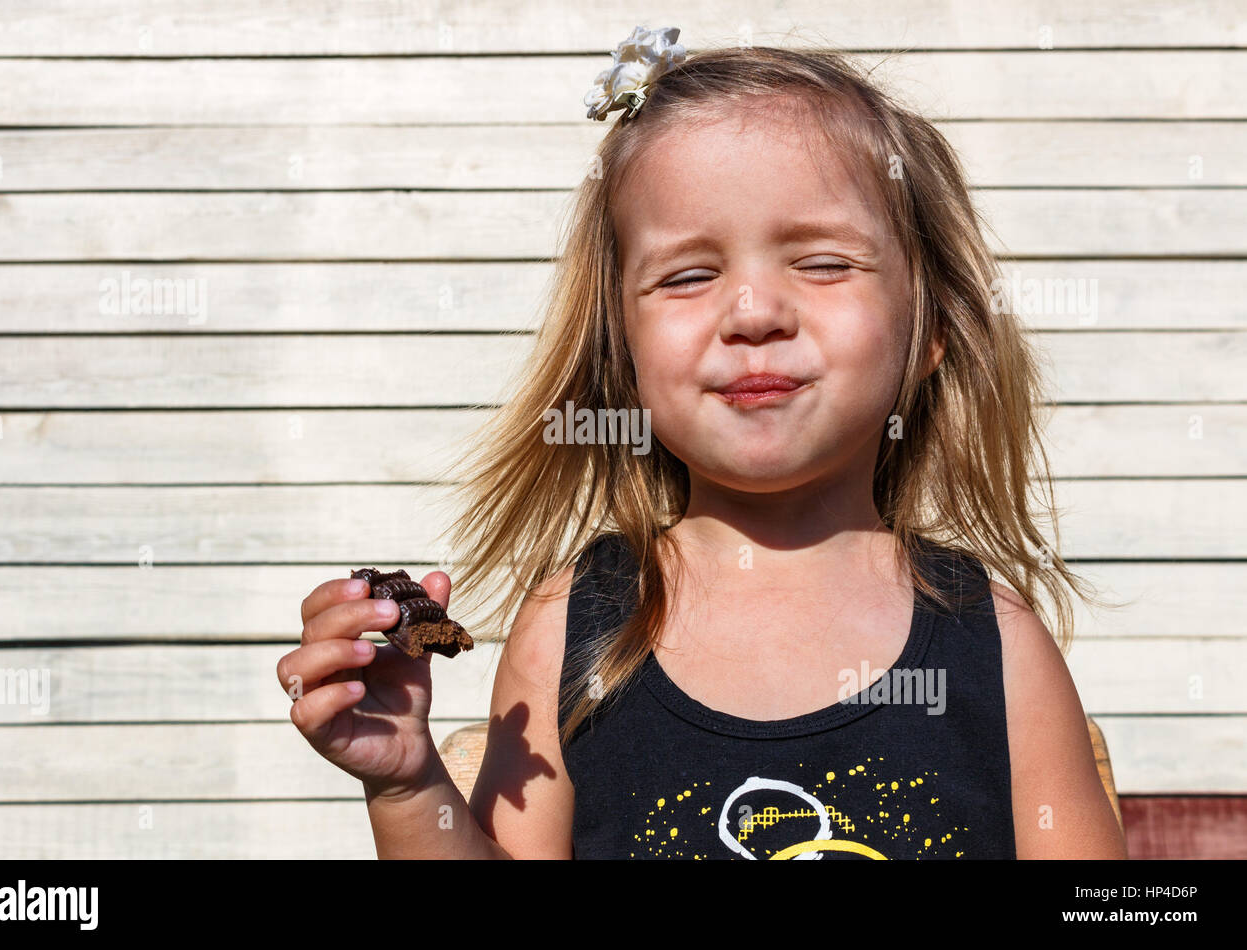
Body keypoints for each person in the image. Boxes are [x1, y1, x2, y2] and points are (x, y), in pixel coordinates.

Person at [277, 26, 1128, 859]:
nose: (754, 314)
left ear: (930, 329)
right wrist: (407, 783)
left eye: (825, 263)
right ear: (623, 350)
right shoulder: (574, 630)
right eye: (687, 275)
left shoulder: (996, 638)